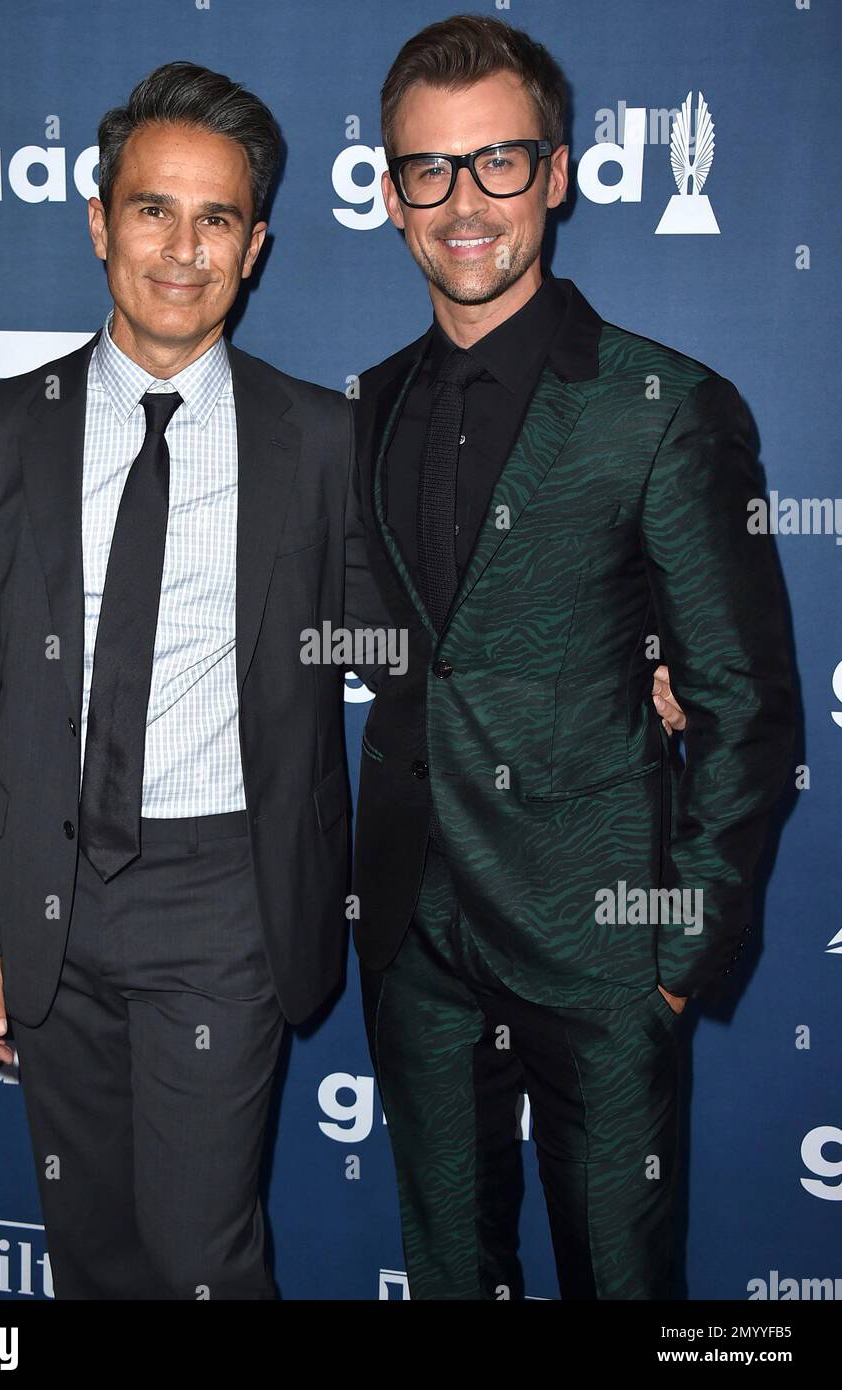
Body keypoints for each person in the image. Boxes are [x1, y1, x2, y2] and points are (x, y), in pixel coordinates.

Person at [346, 15, 795, 1300]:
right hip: (417, 946)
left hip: (604, 953)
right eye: (429, 170)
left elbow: (747, 709)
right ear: (391, 195)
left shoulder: (665, 407)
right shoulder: (363, 409)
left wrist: (671, 963)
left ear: (558, 173)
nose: (464, 202)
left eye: (499, 162)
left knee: (623, 1284)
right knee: (448, 1273)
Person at [0, 61, 357, 1300]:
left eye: (216, 218)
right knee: (94, 1250)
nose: (181, 247)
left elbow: (428, 618)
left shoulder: (320, 438)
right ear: (100, 220)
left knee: (201, 1256)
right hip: (43, 894)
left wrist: (630, 644)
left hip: (226, 901)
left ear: (256, 246)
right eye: (153, 209)